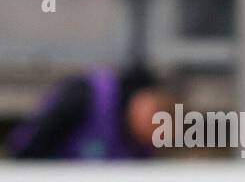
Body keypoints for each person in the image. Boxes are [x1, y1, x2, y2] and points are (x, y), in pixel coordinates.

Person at [6, 65, 164, 160]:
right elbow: (28, 148)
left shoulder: (142, 146)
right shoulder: (85, 97)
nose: (154, 127)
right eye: (155, 112)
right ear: (143, 96)